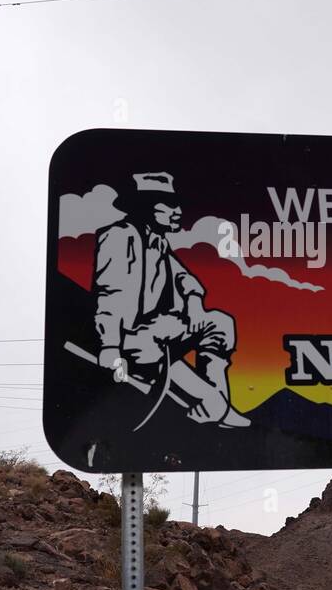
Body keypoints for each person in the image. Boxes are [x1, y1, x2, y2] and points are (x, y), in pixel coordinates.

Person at [92, 172, 250, 429]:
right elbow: (110, 293)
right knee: (153, 342)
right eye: (168, 205)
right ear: (145, 206)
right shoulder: (119, 237)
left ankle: (218, 404)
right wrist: (109, 345)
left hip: (160, 327)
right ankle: (214, 404)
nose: (178, 211)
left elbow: (186, 278)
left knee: (219, 322)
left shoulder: (159, 242)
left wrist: (195, 305)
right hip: (130, 336)